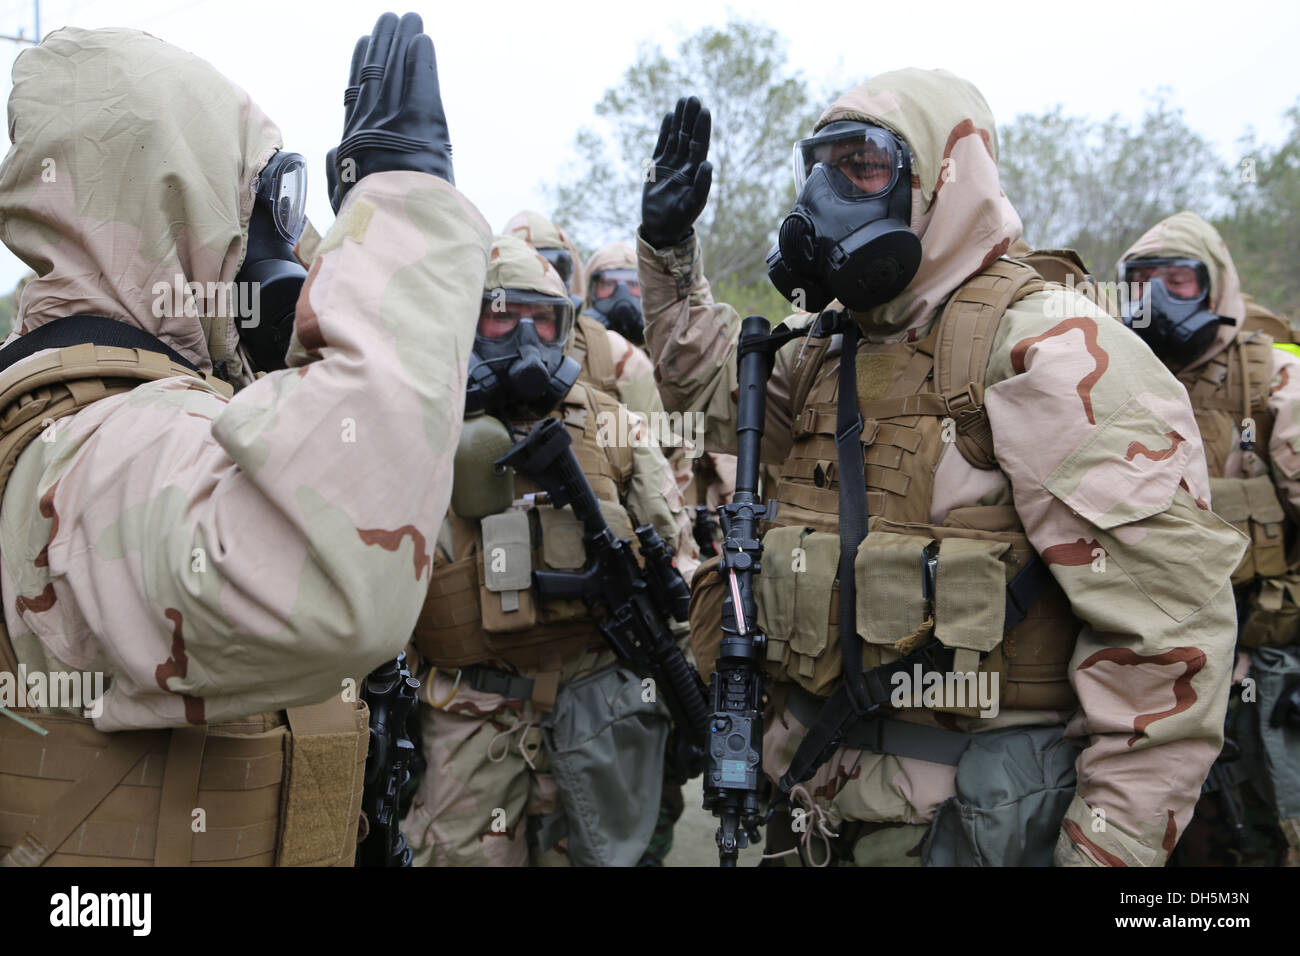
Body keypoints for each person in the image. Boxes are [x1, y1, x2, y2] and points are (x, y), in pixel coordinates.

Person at [639, 74, 1243, 866]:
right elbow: (713, 389)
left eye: (864, 167)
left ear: (942, 185)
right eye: (819, 168)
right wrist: (669, 253)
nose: (830, 193)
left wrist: (1104, 851)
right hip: (816, 812)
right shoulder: (825, 346)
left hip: (975, 826)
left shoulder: (1050, 350)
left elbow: (1170, 639)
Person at [0, 13, 491, 866]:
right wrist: (407, 219)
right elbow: (337, 578)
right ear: (179, 205)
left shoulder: (131, 412)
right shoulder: (99, 446)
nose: (283, 244)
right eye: (263, 204)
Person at [400, 235, 689, 867]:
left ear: (567, 327)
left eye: (542, 319)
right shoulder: (416, 425)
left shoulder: (614, 425)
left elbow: (675, 556)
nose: (524, 337)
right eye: (501, 315)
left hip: (593, 709)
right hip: (466, 715)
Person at [1117, 211, 1300, 866]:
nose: (1158, 299)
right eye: (1142, 283)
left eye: (1178, 281)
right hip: (1149, 674)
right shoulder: (1112, 383)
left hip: (1262, 666)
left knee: (1271, 833)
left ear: (1216, 287)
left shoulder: (1277, 381)